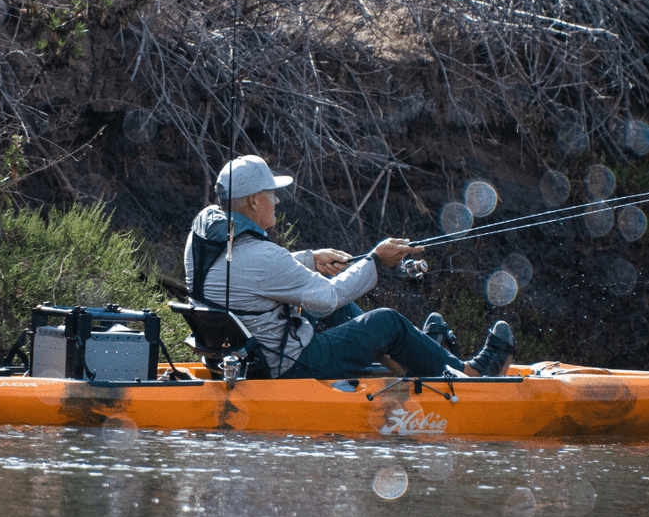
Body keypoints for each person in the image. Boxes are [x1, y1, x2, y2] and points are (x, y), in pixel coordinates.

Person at [184, 155, 515, 380]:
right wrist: (376, 259)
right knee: (386, 322)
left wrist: (310, 259)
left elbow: (247, 274)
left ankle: (420, 357)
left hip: (241, 357)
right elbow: (328, 296)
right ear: (254, 200)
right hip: (286, 366)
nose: (277, 201)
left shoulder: (204, 237)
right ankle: (469, 375)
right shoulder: (263, 257)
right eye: (271, 194)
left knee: (335, 309)